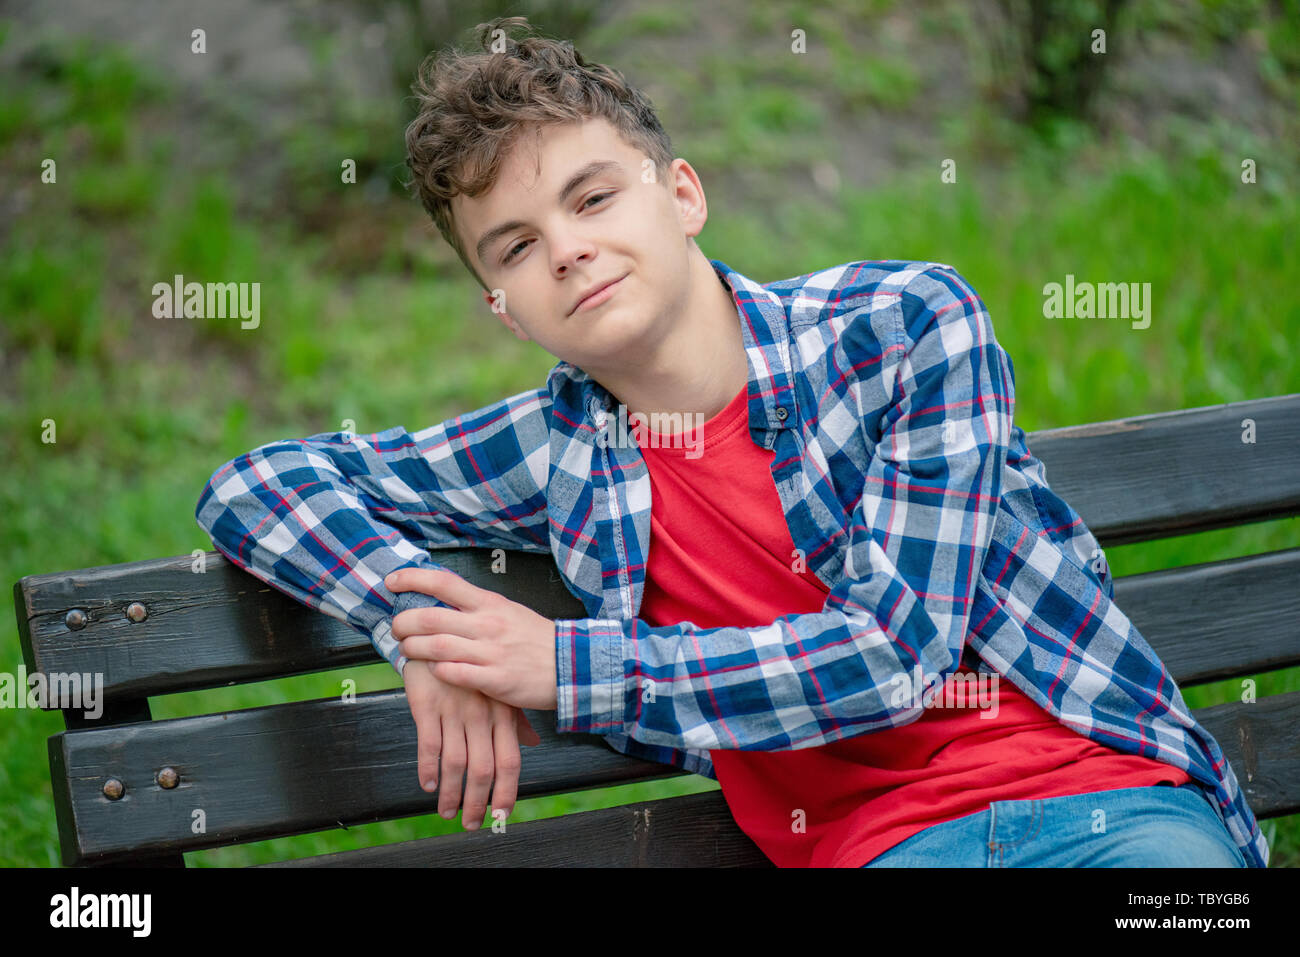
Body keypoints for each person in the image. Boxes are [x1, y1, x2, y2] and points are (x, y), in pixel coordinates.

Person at [194, 16, 1266, 868]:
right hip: (886, 848)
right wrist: (418, 620)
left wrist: (562, 668)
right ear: (503, 309)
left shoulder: (899, 330)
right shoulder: (554, 446)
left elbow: (895, 657)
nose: (568, 251)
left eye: (593, 196)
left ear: (683, 194)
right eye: (517, 247)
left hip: (1108, 807)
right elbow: (257, 484)